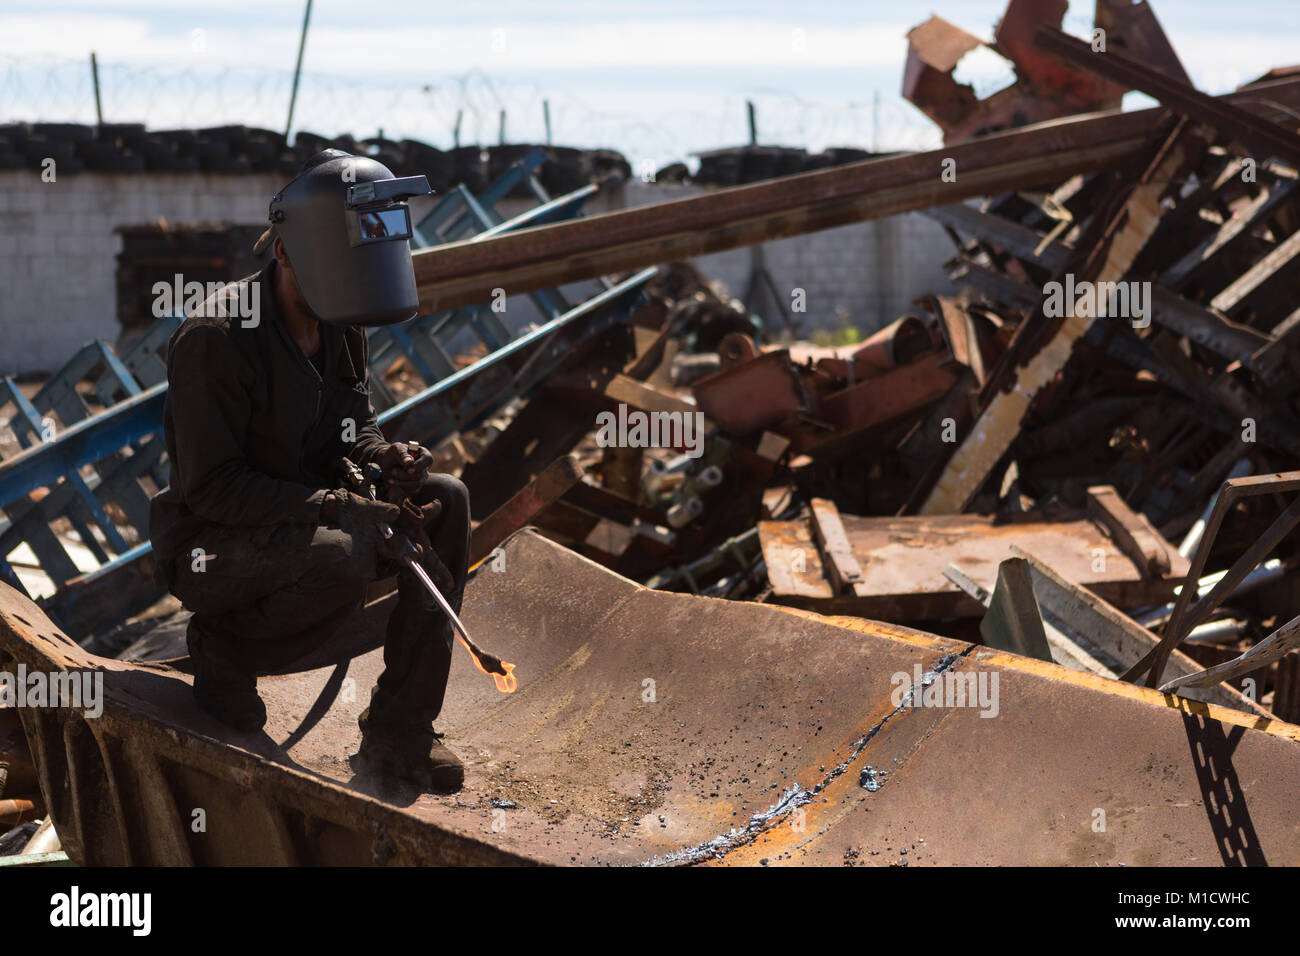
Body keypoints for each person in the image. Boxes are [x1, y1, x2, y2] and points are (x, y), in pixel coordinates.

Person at [148, 150, 468, 792]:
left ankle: (400, 730)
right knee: (342, 553)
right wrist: (333, 505)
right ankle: (225, 649)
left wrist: (391, 461)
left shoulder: (340, 320)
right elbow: (213, 488)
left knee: (448, 498)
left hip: (309, 520)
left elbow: (356, 425)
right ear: (288, 253)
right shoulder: (217, 337)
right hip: (214, 546)